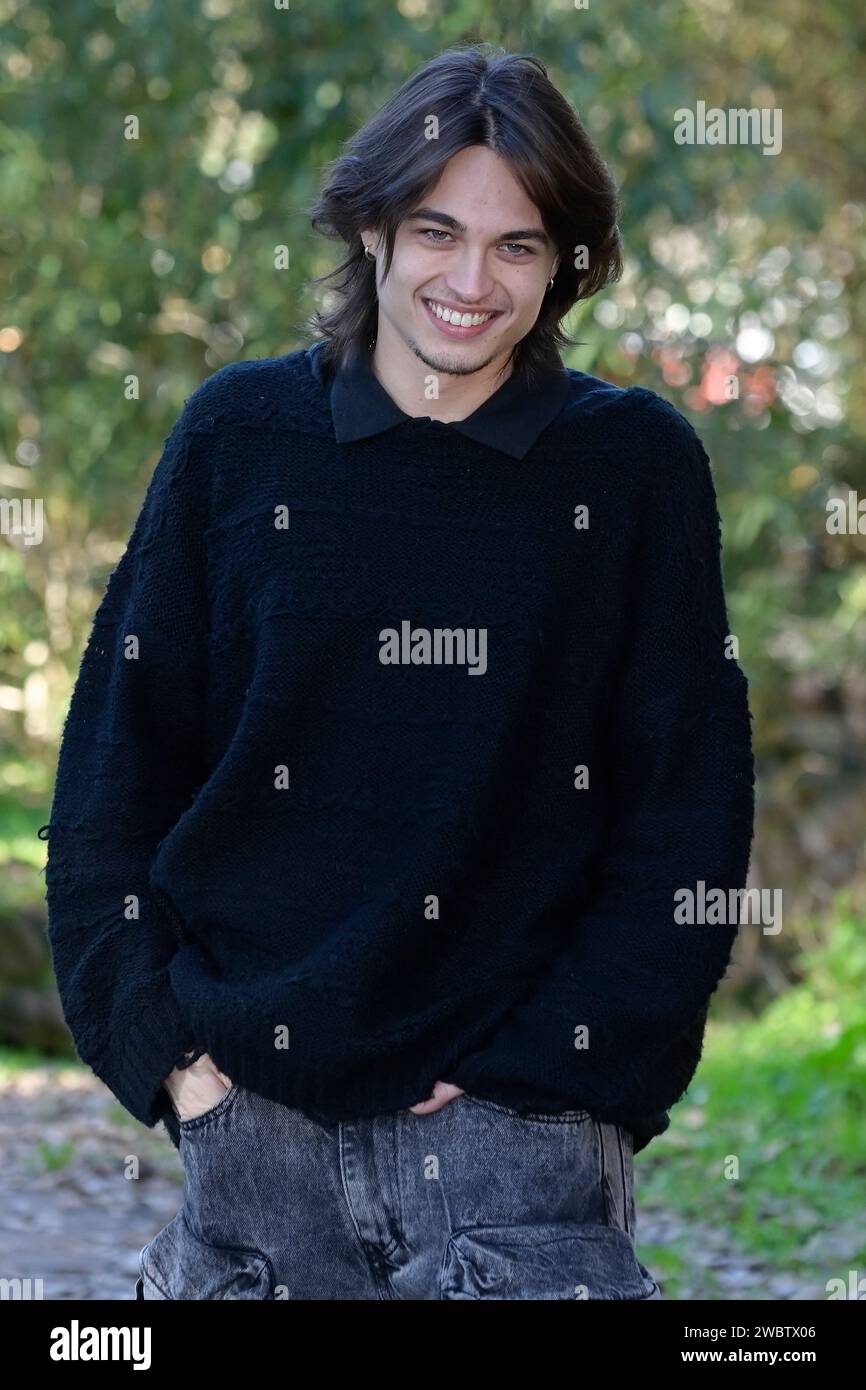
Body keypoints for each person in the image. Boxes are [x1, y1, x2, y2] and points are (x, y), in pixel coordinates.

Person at [43, 43, 755, 1301]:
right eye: (437, 230)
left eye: (518, 245)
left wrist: (558, 1066)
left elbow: (685, 814)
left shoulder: (629, 469)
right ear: (371, 227)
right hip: (250, 1142)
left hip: (518, 1163)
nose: (470, 281)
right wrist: (172, 1061)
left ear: (564, 263)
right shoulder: (241, 438)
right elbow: (113, 773)